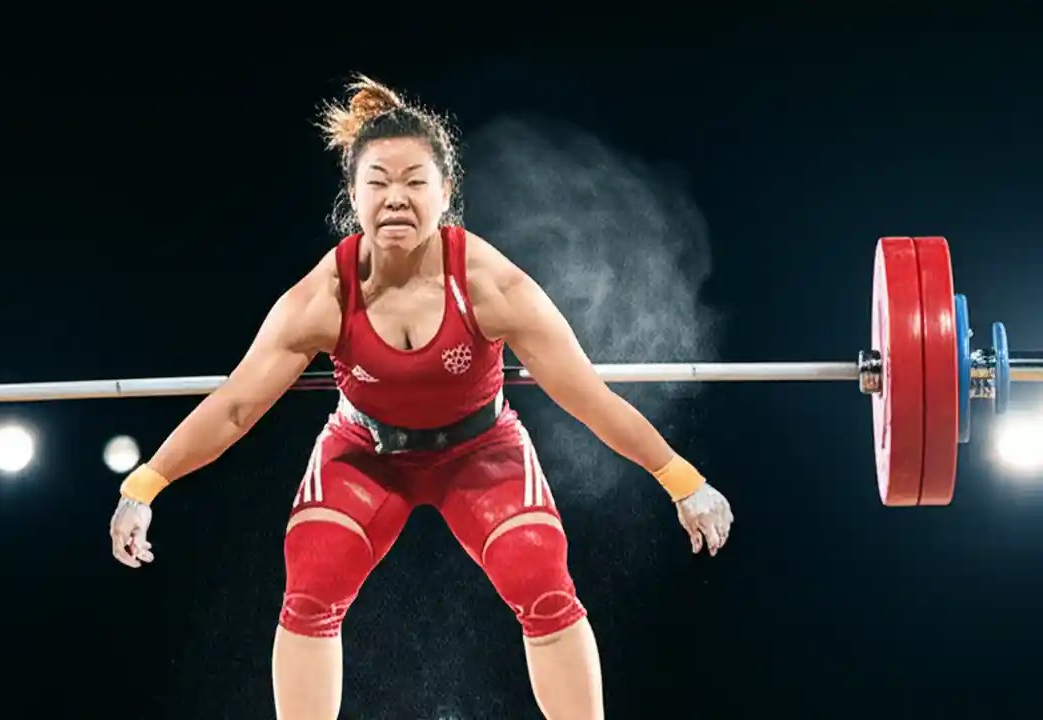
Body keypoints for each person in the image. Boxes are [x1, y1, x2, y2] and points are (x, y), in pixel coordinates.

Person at [109, 74, 734, 719]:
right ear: (353, 196)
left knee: (541, 579)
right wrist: (144, 487)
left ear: (445, 192)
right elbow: (237, 407)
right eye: (377, 182)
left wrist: (683, 480)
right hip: (365, 452)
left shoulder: (493, 286)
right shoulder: (323, 296)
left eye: (414, 181)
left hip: (480, 450)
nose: (396, 198)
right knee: (310, 584)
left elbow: (588, 399)